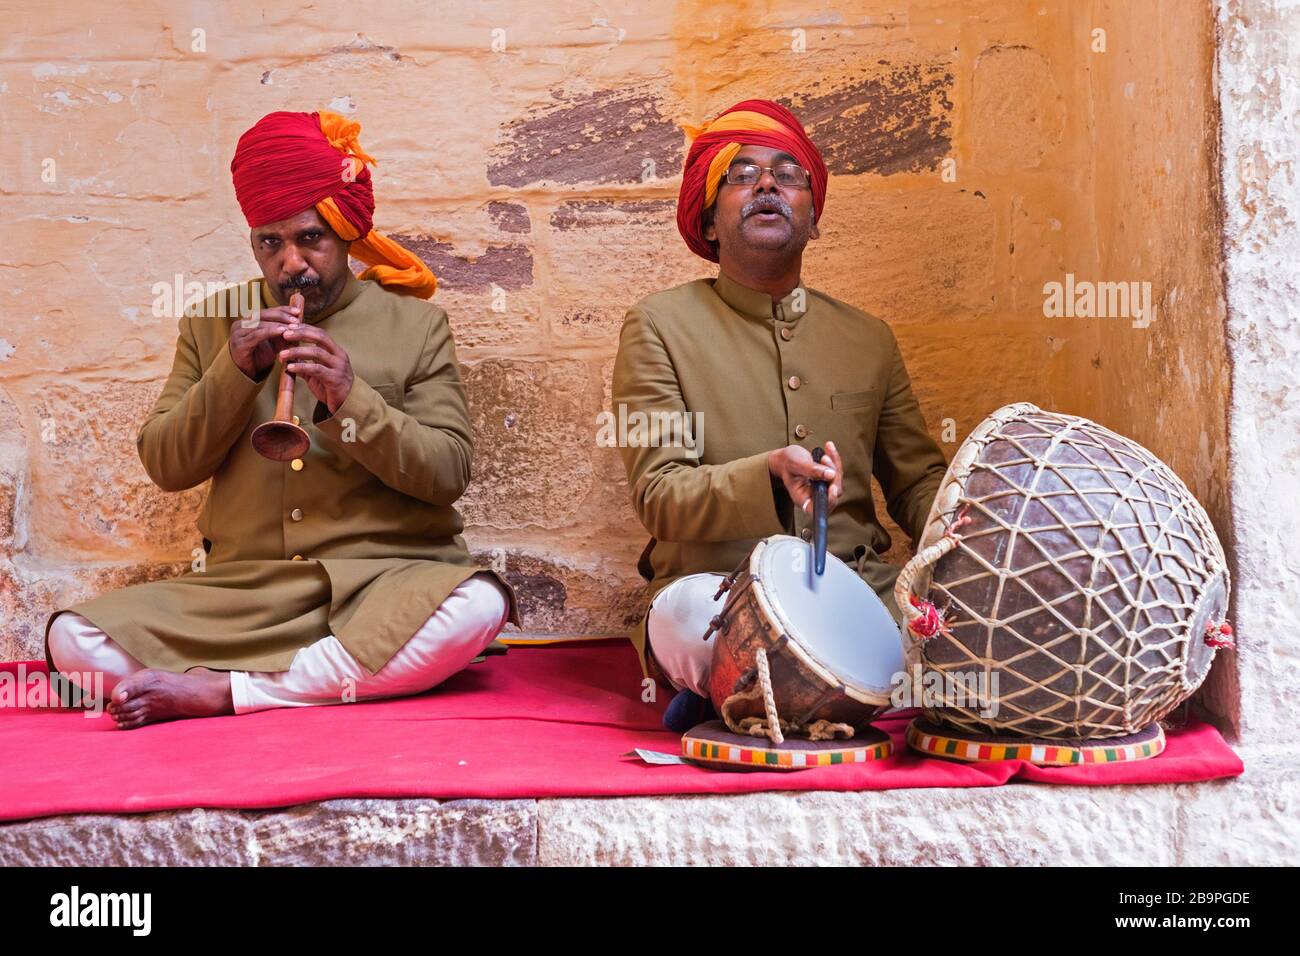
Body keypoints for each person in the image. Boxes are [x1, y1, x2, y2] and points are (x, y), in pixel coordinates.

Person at [43, 110, 518, 730]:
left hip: (381, 582)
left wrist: (352, 398)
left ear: (347, 236)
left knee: (476, 604)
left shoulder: (417, 326)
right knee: (74, 641)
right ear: (254, 245)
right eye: (271, 243)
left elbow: (448, 472)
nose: (292, 263)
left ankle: (226, 693)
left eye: (310, 239)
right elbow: (166, 464)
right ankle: (305, 680)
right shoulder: (214, 322)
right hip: (244, 592)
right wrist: (233, 372)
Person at [612, 99, 948, 730]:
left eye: (788, 174)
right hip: (719, 588)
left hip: (855, 588)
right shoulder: (658, 326)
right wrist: (767, 472)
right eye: (740, 175)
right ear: (709, 222)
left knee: (965, 636)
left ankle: (752, 696)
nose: (766, 183)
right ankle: (776, 684)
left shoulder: (867, 338)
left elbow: (917, 483)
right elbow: (658, 494)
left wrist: (974, 525)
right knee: (684, 623)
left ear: (813, 218)